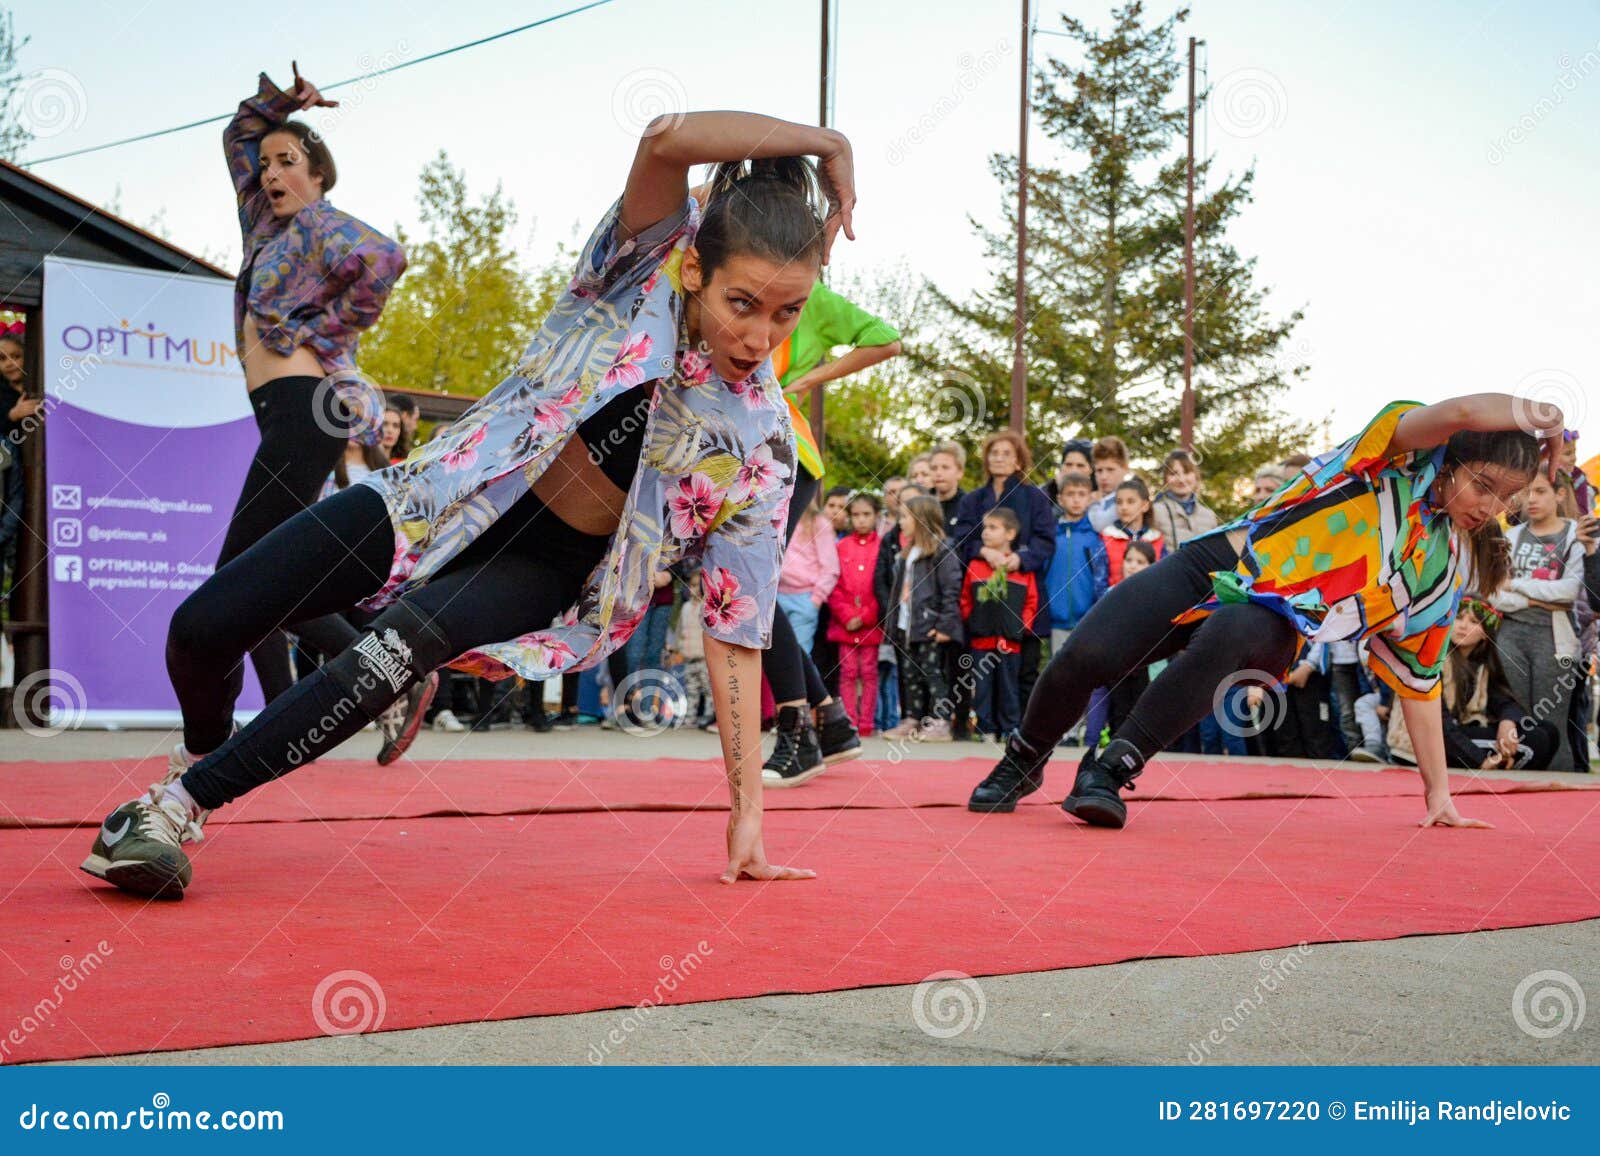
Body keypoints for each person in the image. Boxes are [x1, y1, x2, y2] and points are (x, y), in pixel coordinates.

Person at [82, 107, 856, 896]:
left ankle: (176, 807)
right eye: (744, 303)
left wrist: (746, 811)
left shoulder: (760, 444)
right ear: (695, 271)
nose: (760, 337)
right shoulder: (632, 275)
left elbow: (735, 628)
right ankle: (198, 754)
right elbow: (664, 140)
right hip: (441, 496)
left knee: (394, 645)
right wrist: (824, 143)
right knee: (202, 629)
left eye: (785, 313)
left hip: (546, 563)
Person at [967, 395, 1560, 829]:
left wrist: (1440, 796)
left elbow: (1419, 676)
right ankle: (1024, 759)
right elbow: (1457, 417)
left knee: (1240, 625)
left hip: (1274, 624)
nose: (1491, 506)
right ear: (1452, 462)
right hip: (1217, 562)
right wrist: (1541, 415)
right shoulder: (1396, 460)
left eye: (1506, 498)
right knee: (1090, 654)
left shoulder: (1446, 566)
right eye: (1482, 485)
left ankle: (1112, 768)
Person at [211, 64, 408, 724]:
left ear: (317, 172)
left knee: (237, 580)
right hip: (283, 417)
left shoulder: (322, 224)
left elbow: (384, 259)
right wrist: (279, 106)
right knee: (263, 580)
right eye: (266, 164)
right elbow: (238, 133)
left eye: (288, 161)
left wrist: (317, 329)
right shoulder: (263, 227)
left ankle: (254, 725)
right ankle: (384, 678)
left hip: (306, 411)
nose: (271, 173)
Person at [758, 282, 900, 785]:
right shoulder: (712, 275)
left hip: (781, 452)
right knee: (742, 592)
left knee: (747, 588)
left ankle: (800, 732)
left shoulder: (809, 295)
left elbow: (885, 338)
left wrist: (812, 378)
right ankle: (831, 723)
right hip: (730, 453)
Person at [950, 430, 1056, 712]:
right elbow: (961, 539)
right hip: (981, 592)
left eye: (1006, 453)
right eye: (994, 453)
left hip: (1021, 589)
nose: (999, 458)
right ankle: (982, 726)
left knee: (1023, 669)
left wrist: (1020, 560)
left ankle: (1018, 729)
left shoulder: (1035, 498)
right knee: (980, 668)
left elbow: (1045, 541)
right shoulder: (972, 500)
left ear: (1019, 459)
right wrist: (983, 551)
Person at [1386, 599, 1558, 770]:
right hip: (1425, 744)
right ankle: (1499, 780)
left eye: (1474, 622)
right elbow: (1436, 723)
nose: (1463, 626)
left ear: (1485, 633)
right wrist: (1479, 760)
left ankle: (1500, 772)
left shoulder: (1481, 666)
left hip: (1454, 733)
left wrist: (1508, 722)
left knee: (1549, 731)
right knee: (1535, 740)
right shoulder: (1431, 660)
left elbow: (1503, 700)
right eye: (1459, 618)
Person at [1492, 472, 1584, 769]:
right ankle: (1515, 782)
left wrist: (1517, 585)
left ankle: (1559, 789)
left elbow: (1570, 591)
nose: (1531, 499)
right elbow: (1494, 591)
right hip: (1510, 633)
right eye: (1526, 492)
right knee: (1514, 715)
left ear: (1559, 494)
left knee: (1551, 718)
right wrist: (1535, 599)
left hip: (1555, 638)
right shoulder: (1511, 537)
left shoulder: (1574, 536)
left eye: (1541, 491)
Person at [885, 495, 962, 742]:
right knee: (910, 675)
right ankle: (913, 719)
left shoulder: (942, 549)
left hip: (930, 626)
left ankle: (940, 722)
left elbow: (952, 590)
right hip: (906, 626)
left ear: (922, 519)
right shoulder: (906, 553)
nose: (901, 523)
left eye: (905, 517)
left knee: (933, 674)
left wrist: (945, 624)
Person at [960, 508, 1039, 740]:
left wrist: (1021, 626)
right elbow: (965, 599)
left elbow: (1032, 601)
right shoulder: (975, 566)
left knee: (1009, 685)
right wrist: (972, 620)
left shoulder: (1021, 569)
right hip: (981, 640)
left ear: (1010, 533)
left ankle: (1010, 729)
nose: (986, 533)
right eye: (984, 528)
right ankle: (985, 729)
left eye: (993, 528)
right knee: (982, 686)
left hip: (1010, 641)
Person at [828, 492, 885, 737]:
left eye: (866, 515)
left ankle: (867, 723)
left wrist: (866, 616)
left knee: (870, 672)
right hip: (845, 624)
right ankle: (849, 720)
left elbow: (882, 585)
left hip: (871, 623)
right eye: (856, 515)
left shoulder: (883, 546)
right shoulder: (841, 547)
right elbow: (834, 584)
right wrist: (846, 615)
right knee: (848, 672)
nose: (861, 520)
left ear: (876, 516)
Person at [775, 498, 839, 653]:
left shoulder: (818, 522)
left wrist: (815, 600)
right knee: (776, 657)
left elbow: (831, 568)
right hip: (776, 597)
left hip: (804, 599)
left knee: (799, 655)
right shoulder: (778, 518)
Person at [1100, 477, 1164, 584]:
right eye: (1119, 502)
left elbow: (1163, 578)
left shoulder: (1157, 539)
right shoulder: (1107, 537)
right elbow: (1100, 583)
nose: (1124, 507)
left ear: (1145, 506)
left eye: (1130, 502)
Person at [1149, 449, 1218, 549]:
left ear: (1196, 476)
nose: (1181, 479)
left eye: (1187, 472)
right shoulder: (1155, 512)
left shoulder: (1209, 516)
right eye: (1173, 474)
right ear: (1165, 479)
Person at [1087, 436, 1130, 532]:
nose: (1103, 477)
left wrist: (1094, 503)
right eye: (1099, 470)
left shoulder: (1131, 500)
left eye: (1110, 470)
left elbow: (1099, 525)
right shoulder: (1086, 498)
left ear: (1125, 469)